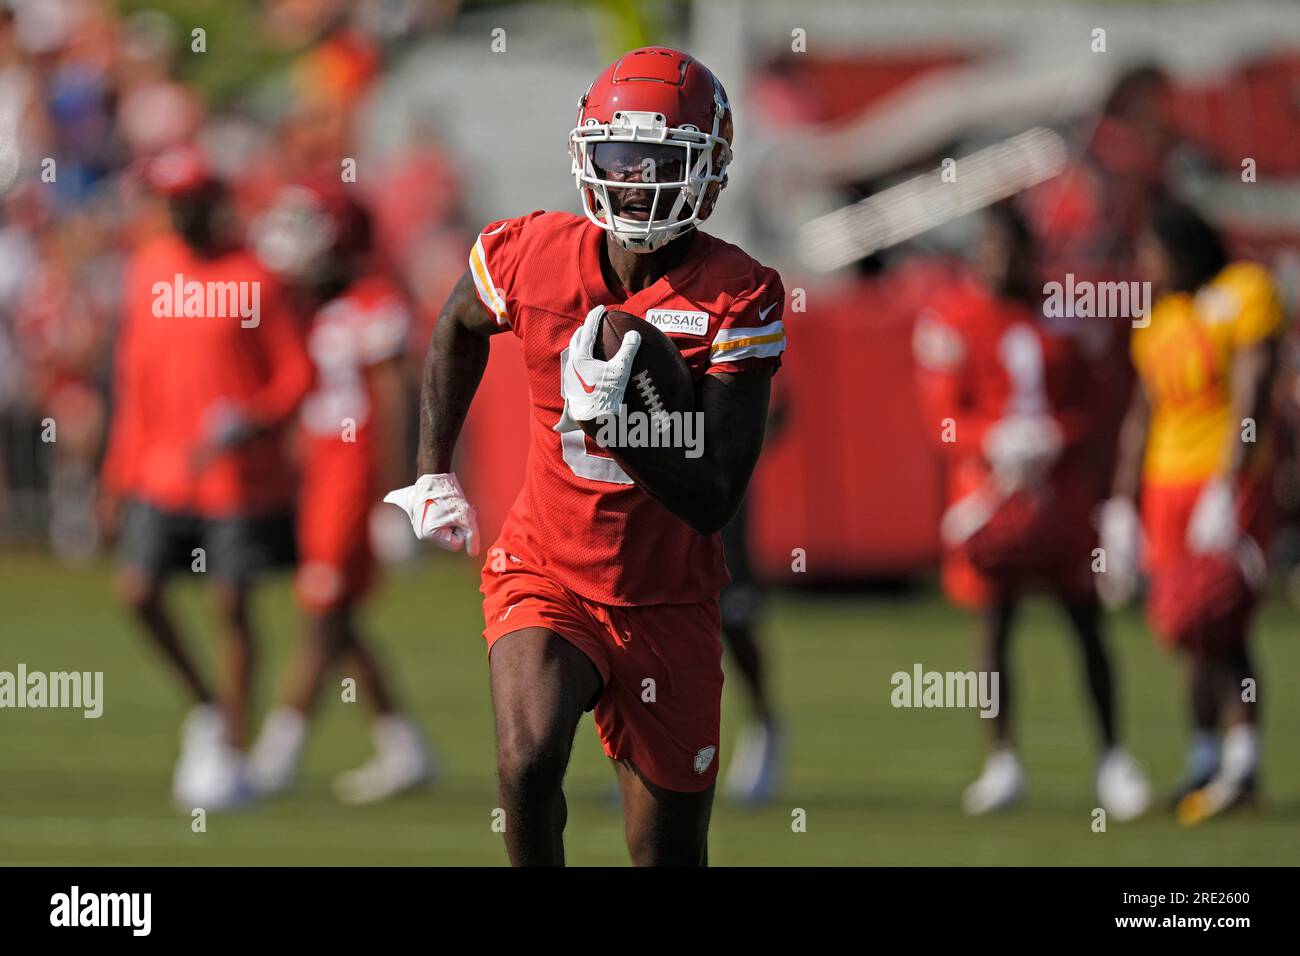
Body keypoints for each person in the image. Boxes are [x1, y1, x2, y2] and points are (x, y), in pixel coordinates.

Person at [384, 47, 786, 865]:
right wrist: (431, 467)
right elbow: (458, 324)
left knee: (665, 855)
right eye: (618, 157)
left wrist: (624, 430)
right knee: (527, 762)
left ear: (708, 174)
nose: (636, 179)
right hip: (547, 568)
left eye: (661, 160)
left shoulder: (739, 294)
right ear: (584, 157)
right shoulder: (530, 252)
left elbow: (715, 494)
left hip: (667, 598)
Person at [913, 204, 1151, 820]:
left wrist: (1055, 436)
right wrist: (991, 440)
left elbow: (1099, 405)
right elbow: (940, 419)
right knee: (995, 625)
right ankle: (1001, 760)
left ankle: (1113, 758)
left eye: (1012, 252)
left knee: (1086, 623)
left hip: (1061, 494)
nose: (1001, 264)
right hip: (989, 496)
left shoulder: (1063, 311)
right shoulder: (950, 316)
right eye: (991, 251)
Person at [99, 144, 313, 809]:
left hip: (237, 477)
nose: (179, 214)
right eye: (170, 202)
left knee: (230, 604)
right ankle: (207, 711)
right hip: (161, 472)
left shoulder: (256, 277)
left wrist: (252, 419)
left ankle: (232, 751)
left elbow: (295, 375)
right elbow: (134, 381)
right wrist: (116, 471)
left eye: (188, 201)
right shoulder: (148, 270)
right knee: (137, 591)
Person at [246, 181, 436, 804]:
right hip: (326, 477)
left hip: (355, 480)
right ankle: (403, 744)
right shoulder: (312, 306)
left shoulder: (372, 301)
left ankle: (279, 750)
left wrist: (398, 494)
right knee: (338, 615)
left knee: (324, 612)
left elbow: (394, 400)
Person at [1101, 198, 1284, 824]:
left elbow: (1255, 391)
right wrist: (1121, 507)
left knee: (1221, 618)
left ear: (1184, 247)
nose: (1146, 264)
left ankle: (1242, 760)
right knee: (1185, 628)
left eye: (1154, 250)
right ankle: (1207, 758)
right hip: (1165, 486)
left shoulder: (1244, 291)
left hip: (1223, 481)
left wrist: (1228, 482)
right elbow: (1141, 416)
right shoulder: (1158, 321)